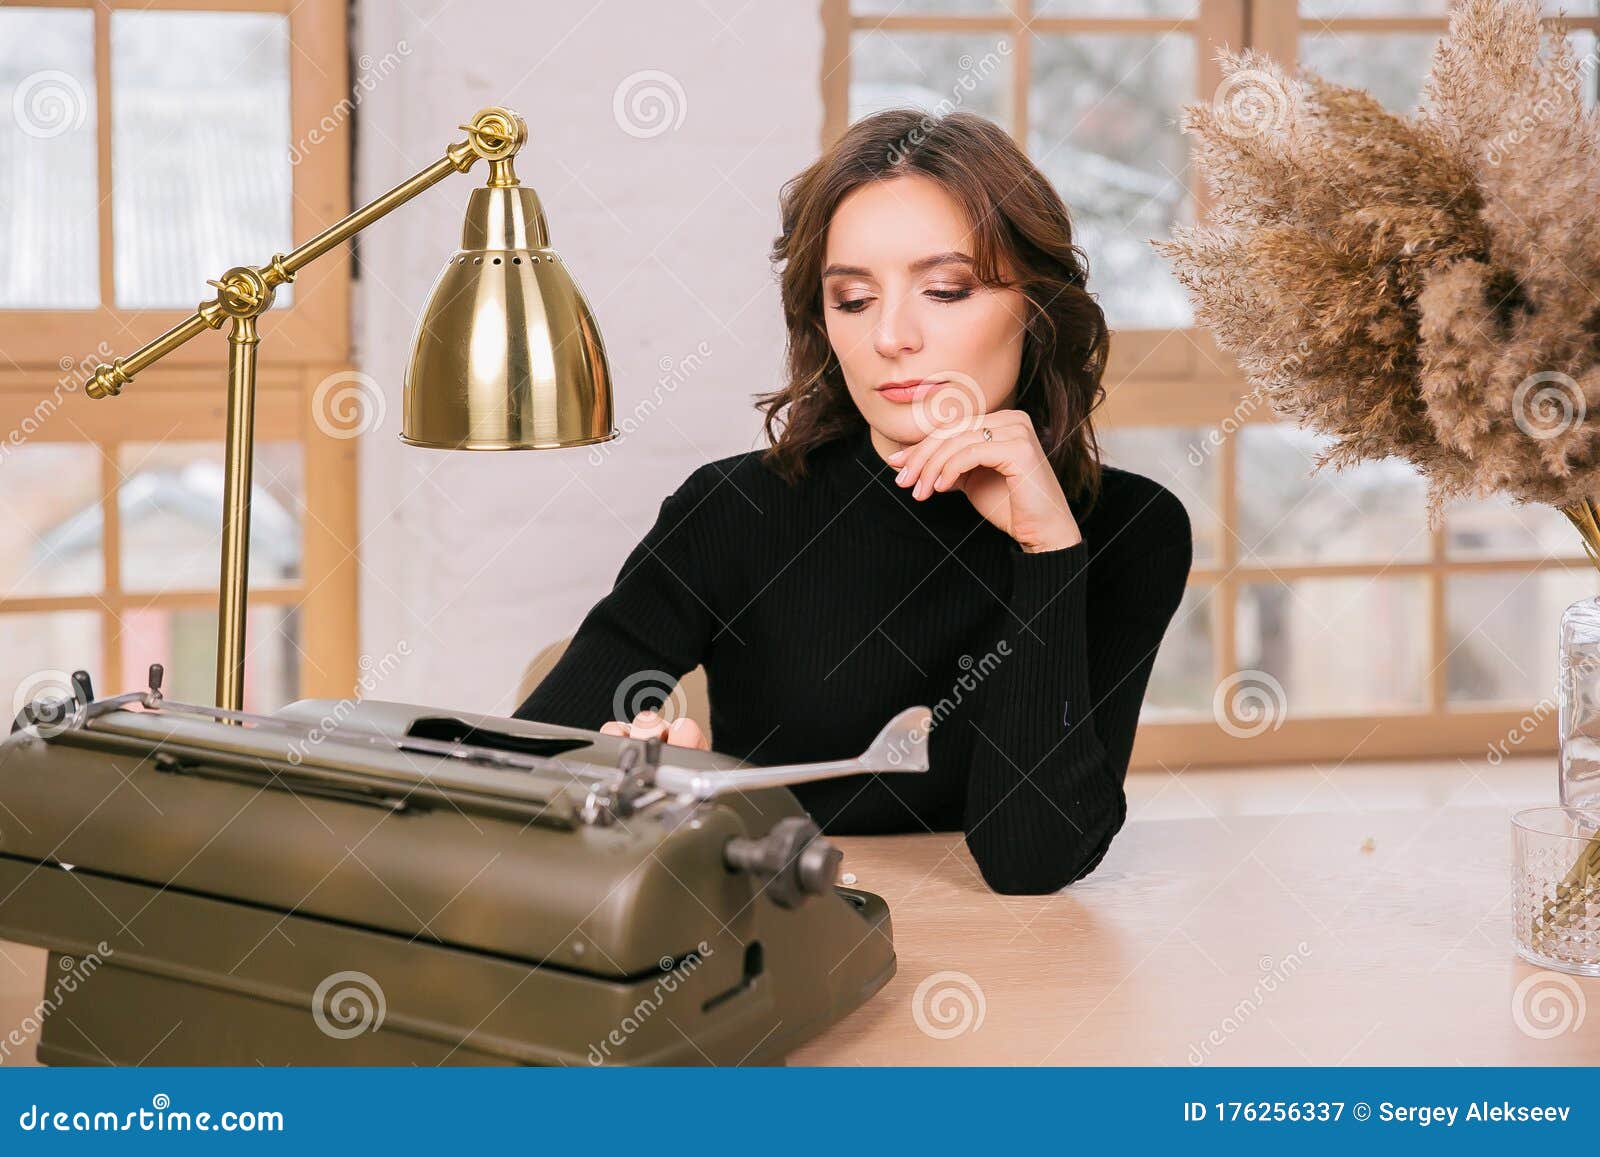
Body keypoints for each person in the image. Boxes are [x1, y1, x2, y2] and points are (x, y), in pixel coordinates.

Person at [514, 108, 1192, 894]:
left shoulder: (1131, 531)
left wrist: (1049, 553)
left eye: (945, 289)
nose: (892, 337)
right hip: (782, 932)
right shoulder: (733, 511)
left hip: (1014, 966)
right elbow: (511, 775)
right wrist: (645, 786)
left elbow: (1030, 861)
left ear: (1036, 311)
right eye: (853, 299)